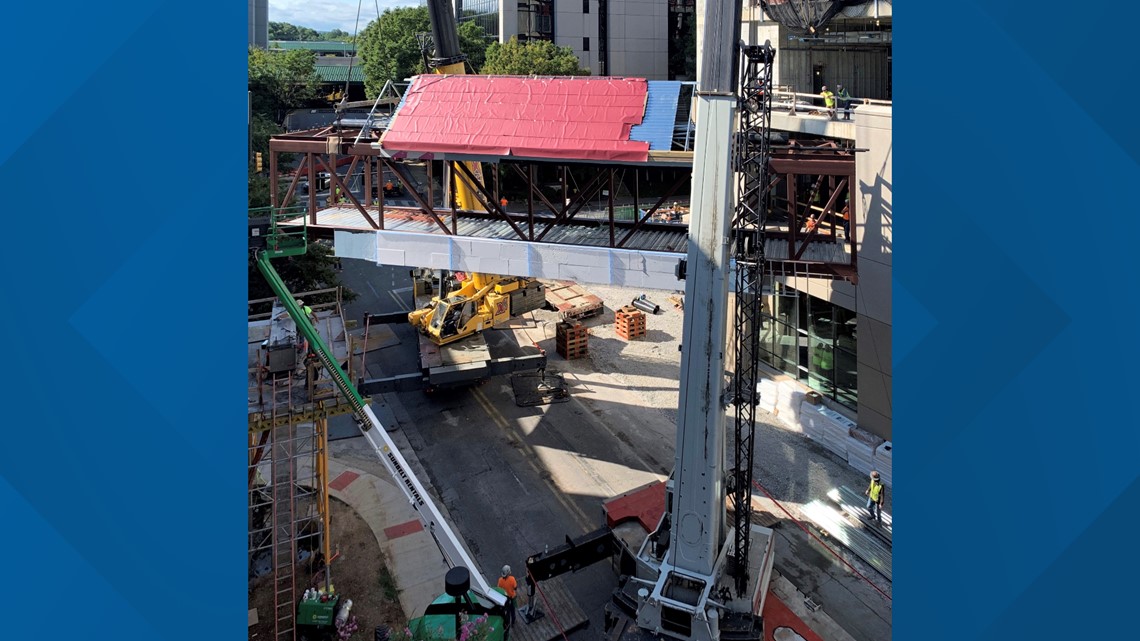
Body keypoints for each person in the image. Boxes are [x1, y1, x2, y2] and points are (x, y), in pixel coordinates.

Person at [498, 565, 518, 632]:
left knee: (507, 611)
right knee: (513, 610)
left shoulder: (500, 580)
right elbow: (515, 587)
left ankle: (507, 623)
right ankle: (513, 622)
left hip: (505, 599)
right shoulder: (512, 579)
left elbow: (499, 589)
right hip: (511, 597)